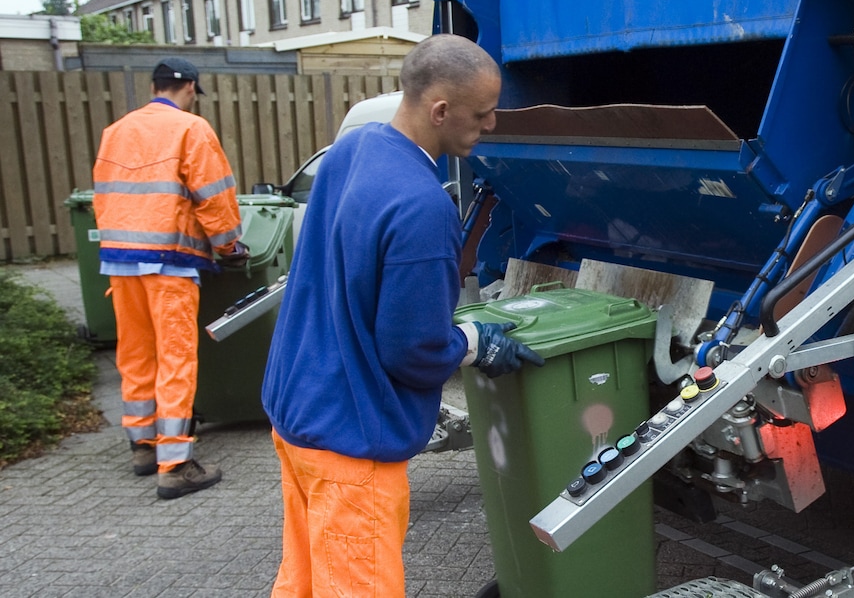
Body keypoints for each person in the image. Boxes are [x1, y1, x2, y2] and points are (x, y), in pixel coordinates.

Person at [261, 34, 544, 595]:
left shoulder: (352, 149)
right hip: (352, 445)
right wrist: (475, 341)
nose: (490, 125)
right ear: (440, 110)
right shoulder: (422, 205)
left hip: (297, 415)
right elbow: (411, 350)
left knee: (305, 582)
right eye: (482, 113)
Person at [92, 56, 247, 500]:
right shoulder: (190, 129)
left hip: (120, 262)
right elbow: (213, 196)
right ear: (192, 89)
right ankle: (175, 465)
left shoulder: (115, 130)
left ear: (155, 86)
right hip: (169, 262)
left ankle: (142, 446)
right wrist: (230, 247)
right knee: (176, 359)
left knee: (136, 353)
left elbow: (105, 195)